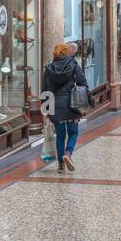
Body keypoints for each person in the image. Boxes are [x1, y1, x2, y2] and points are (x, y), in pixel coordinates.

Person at [42, 42, 90, 173]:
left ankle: (60, 166)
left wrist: (45, 112)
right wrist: (88, 102)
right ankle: (68, 154)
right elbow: (83, 84)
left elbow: (45, 91)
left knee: (60, 136)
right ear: (67, 52)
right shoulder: (74, 66)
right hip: (72, 105)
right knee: (73, 132)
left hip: (55, 108)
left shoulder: (48, 69)